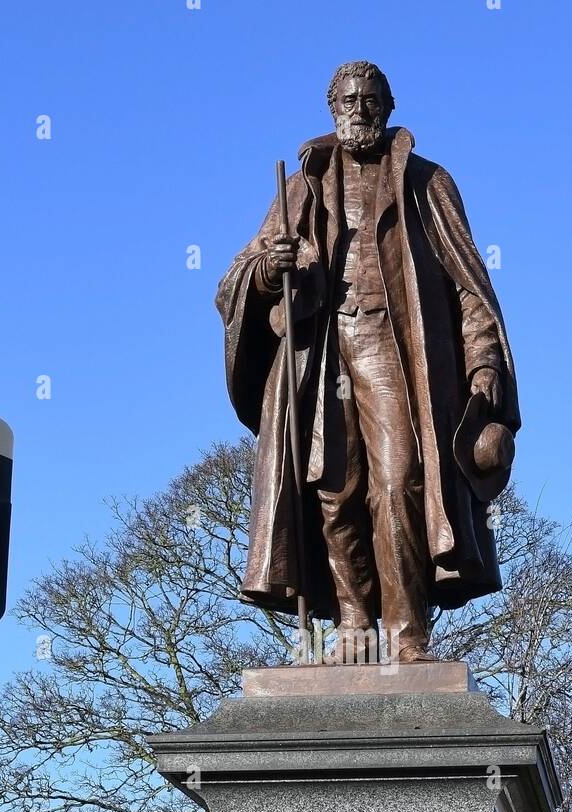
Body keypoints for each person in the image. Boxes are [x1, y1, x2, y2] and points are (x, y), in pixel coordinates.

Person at [217, 60, 520, 662]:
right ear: (332, 107)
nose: (361, 110)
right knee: (333, 485)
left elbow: (470, 288)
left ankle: (407, 634)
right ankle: (353, 620)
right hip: (322, 349)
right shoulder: (302, 187)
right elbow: (232, 283)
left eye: (373, 100)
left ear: (390, 105)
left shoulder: (426, 183)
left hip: (396, 351)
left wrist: (483, 362)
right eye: (350, 100)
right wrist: (268, 270)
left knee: (400, 479)